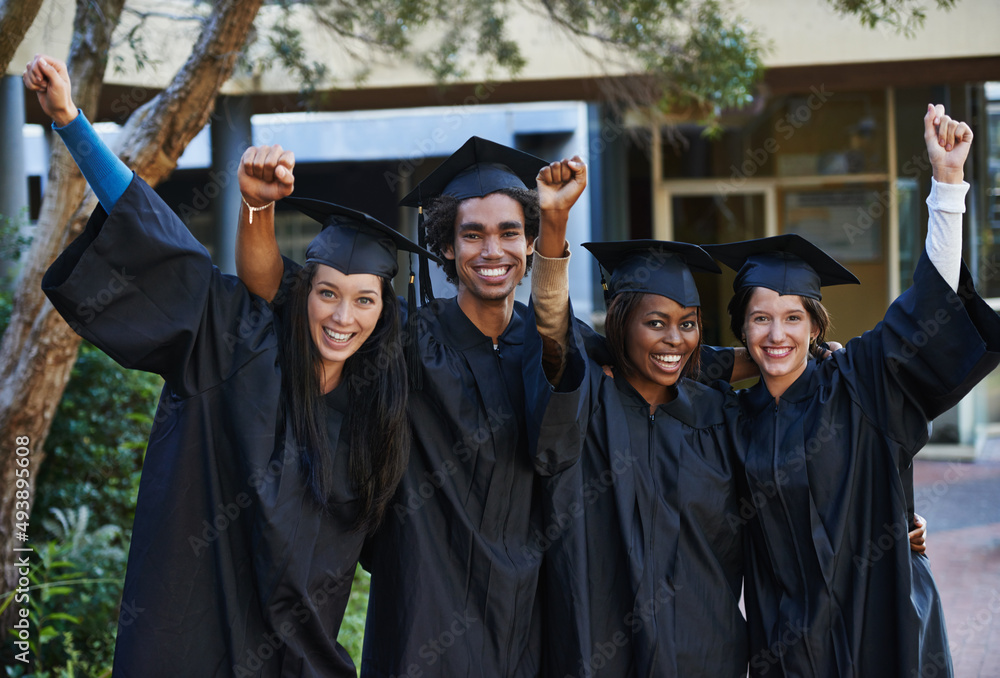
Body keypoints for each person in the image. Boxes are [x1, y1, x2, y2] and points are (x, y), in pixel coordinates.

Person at [25, 53, 439, 677]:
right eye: (327, 293)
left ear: (384, 311)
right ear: (304, 293)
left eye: (364, 300)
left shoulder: (376, 416)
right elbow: (156, 231)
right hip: (190, 646)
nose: (342, 316)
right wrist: (70, 121)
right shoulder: (237, 347)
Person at [236, 137, 591, 675]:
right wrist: (258, 207)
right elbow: (276, 288)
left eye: (509, 232)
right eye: (472, 234)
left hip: (530, 614)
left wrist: (758, 359)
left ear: (529, 244)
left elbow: (659, 357)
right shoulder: (404, 339)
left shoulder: (556, 345)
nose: (491, 250)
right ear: (446, 247)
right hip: (421, 615)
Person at [705, 105, 999, 678]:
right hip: (788, 642)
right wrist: (731, 367)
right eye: (761, 319)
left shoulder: (860, 383)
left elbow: (927, 308)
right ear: (742, 328)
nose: (777, 334)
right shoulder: (733, 419)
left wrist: (947, 186)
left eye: (793, 318)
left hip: (882, 626)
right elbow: (662, 374)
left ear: (816, 326)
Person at [529, 237, 750, 677]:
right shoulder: (584, 402)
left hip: (703, 650)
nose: (675, 338)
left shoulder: (719, 416)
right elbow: (555, 334)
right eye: (655, 322)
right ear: (619, 322)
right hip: (595, 649)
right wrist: (553, 229)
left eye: (688, 323)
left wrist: (893, 523)